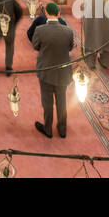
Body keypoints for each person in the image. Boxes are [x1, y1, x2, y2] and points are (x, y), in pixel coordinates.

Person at [30, 8, 76, 138]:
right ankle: (62, 129)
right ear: (59, 14)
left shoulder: (40, 30)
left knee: (47, 102)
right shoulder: (68, 31)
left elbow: (35, 46)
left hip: (46, 72)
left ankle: (48, 129)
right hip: (63, 73)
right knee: (62, 101)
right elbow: (70, 47)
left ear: (46, 14)